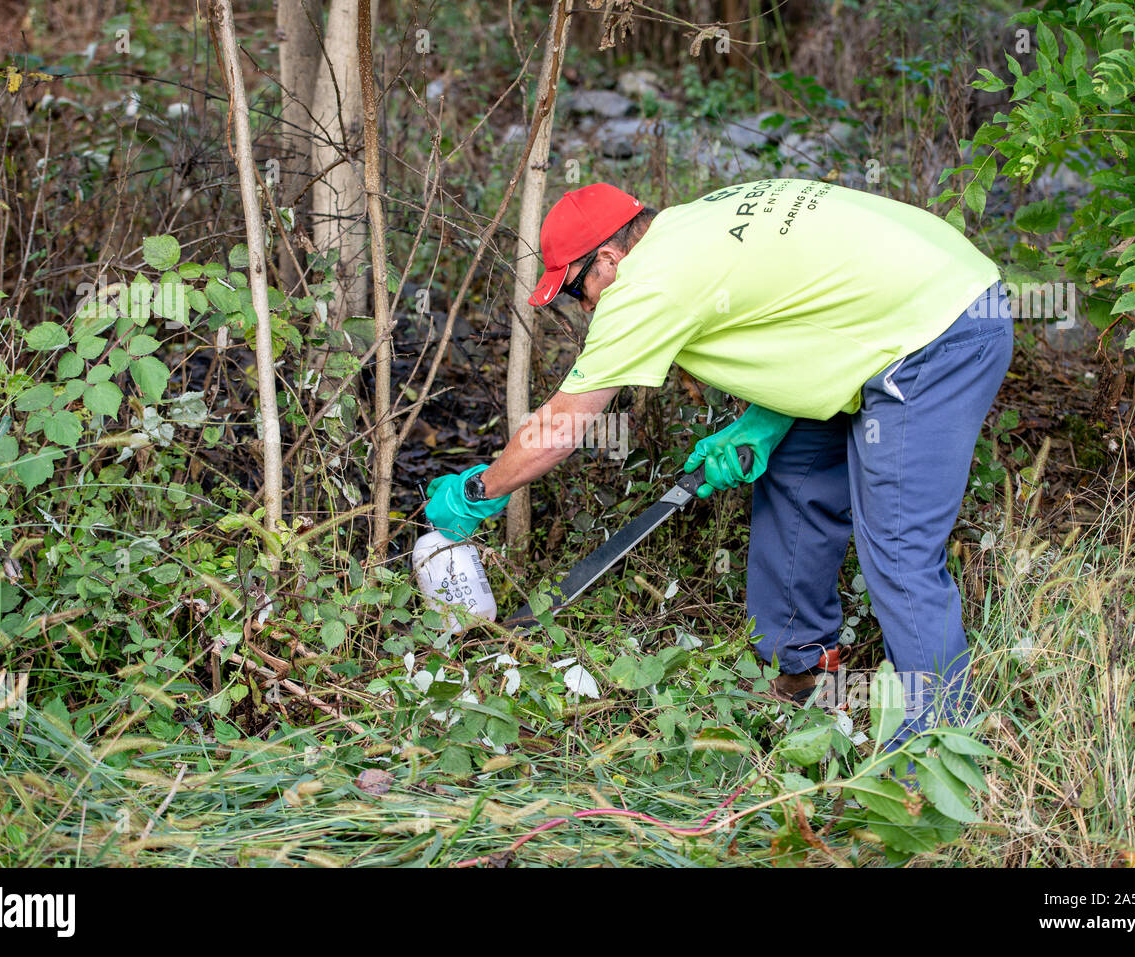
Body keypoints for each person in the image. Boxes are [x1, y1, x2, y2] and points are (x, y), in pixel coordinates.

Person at [425, 178, 1013, 747]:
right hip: (904, 307)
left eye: (578, 292)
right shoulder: (692, 224)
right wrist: (768, 417)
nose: (584, 309)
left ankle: (937, 743)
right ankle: (802, 671)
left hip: (939, 329)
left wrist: (479, 492)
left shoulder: (646, 284)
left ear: (607, 258)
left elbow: (562, 425)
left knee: (898, 544)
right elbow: (806, 305)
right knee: (793, 473)